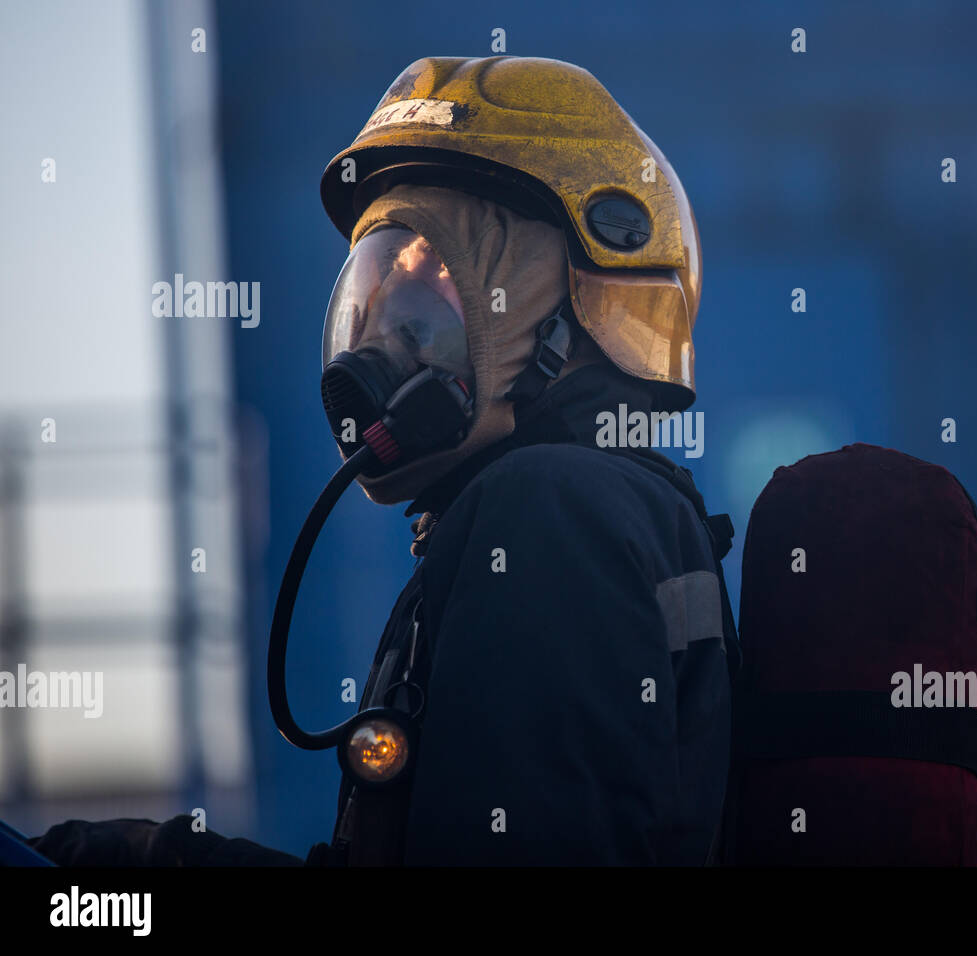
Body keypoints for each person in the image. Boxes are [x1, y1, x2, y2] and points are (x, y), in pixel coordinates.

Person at [30, 55, 735, 867]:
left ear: (573, 306)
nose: (376, 335)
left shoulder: (552, 511)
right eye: (379, 280)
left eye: (432, 279)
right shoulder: (577, 509)